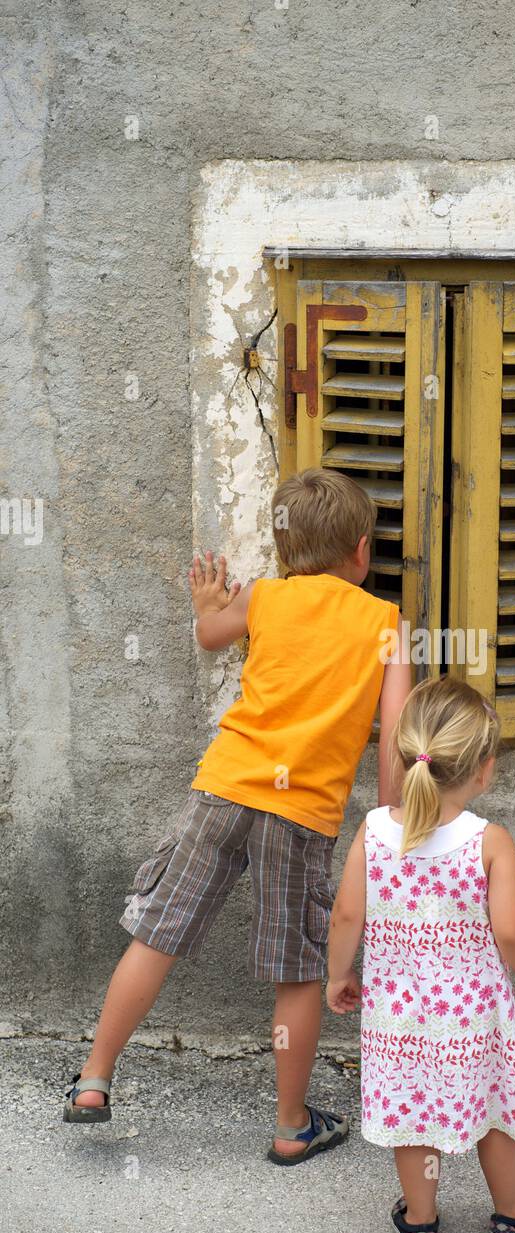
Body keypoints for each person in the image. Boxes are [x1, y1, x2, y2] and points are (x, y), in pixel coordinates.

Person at [64, 468, 411, 1166]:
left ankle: (95, 1078)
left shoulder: (263, 596)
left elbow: (210, 636)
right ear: (362, 551)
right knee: (296, 970)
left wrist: (203, 604)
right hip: (303, 814)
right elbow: (399, 731)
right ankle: (291, 1126)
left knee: (157, 933)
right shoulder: (384, 623)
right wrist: (393, 820)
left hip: (224, 788)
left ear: (286, 549)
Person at [326, 675, 515, 1233]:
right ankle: (513, 1214)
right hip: (472, 1015)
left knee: (412, 1110)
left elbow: (344, 916)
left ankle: (420, 1221)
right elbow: (512, 932)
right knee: (496, 1104)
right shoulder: (489, 841)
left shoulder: (376, 828)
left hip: (396, 1014)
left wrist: (338, 974)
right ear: (483, 769)